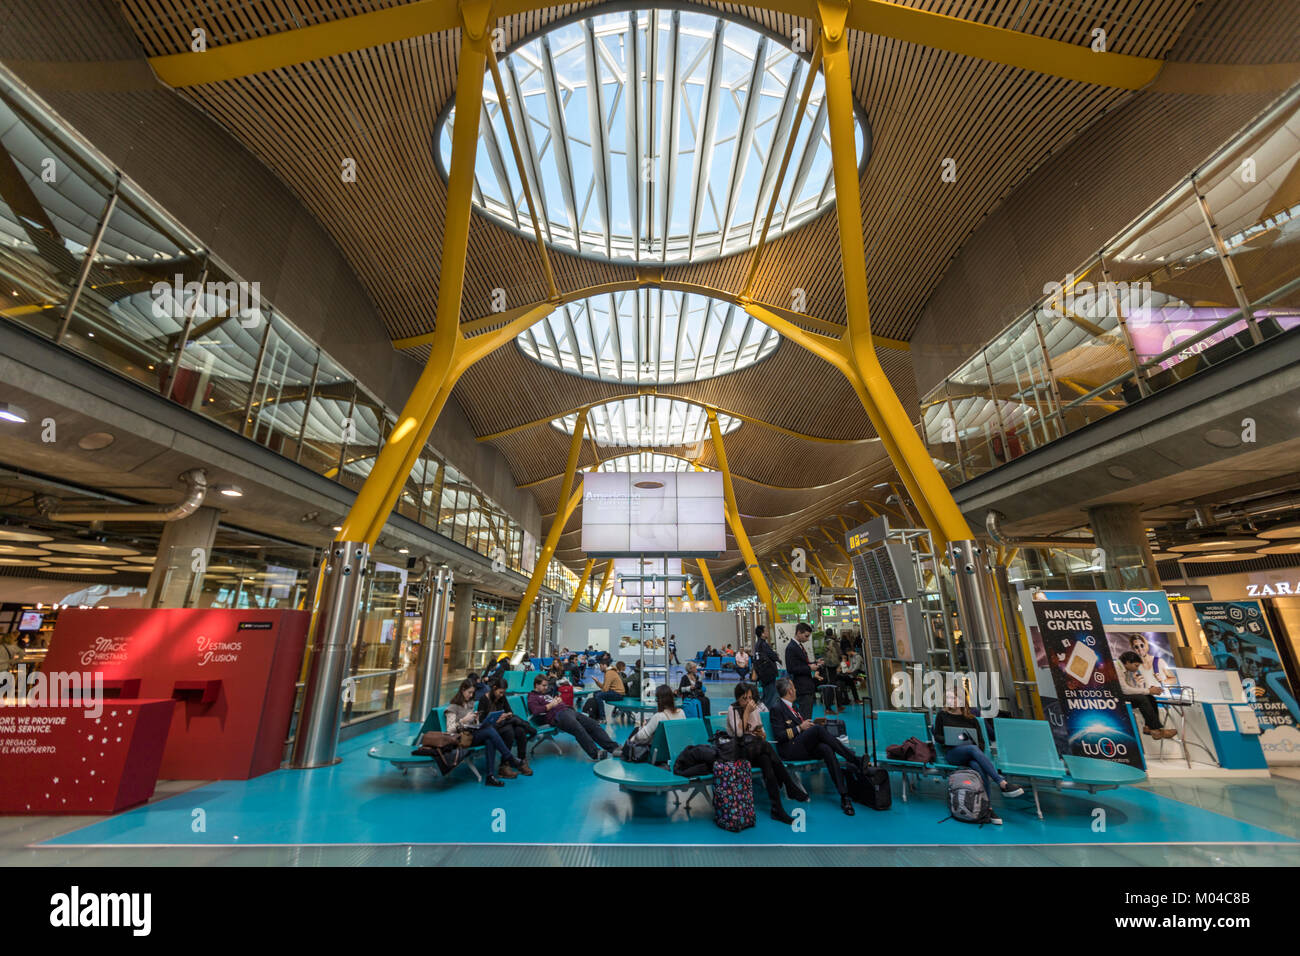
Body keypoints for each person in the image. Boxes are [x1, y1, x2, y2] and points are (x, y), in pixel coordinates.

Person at [770, 678, 863, 816]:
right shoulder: (777, 708)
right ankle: (853, 758)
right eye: (794, 688)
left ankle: (844, 796)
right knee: (818, 730)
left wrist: (805, 727)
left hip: (801, 746)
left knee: (826, 748)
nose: (795, 690)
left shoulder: (793, 707)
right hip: (789, 749)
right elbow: (780, 736)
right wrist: (800, 728)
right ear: (790, 690)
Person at [727, 681, 808, 823]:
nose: (748, 701)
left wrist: (760, 734)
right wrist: (746, 713)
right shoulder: (732, 709)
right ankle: (789, 785)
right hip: (739, 752)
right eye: (744, 698)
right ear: (738, 699)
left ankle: (777, 809)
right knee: (764, 748)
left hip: (756, 750)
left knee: (766, 761)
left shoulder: (755, 710)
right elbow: (739, 734)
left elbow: (763, 733)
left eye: (750, 698)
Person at [932, 700, 1024, 822]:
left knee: (979, 767)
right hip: (953, 754)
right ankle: (1001, 783)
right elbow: (937, 736)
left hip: (971, 755)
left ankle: (988, 809)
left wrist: (971, 745)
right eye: (948, 698)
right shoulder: (942, 715)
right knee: (972, 748)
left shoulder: (972, 718)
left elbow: (981, 743)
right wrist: (950, 738)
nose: (951, 701)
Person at [446, 679, 525, 787]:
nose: (471, 695)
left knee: (489, 738)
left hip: (471, 734)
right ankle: (509, 758)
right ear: (462, 690)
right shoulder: (453, 707)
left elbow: (472, 723)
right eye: (469, 692)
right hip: (462, 739)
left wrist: (475, 720)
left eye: (472, 693)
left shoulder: (469, 704)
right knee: (489, 730)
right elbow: (449, 729)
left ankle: (490, 776)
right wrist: (463, 720)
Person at [526, 675, 621, 760]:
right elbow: (535, 710)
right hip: (558, 716)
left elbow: (550, 703)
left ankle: (613, 748)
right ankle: (596, 753)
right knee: (578, 728)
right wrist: (551, 705)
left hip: (568, 711)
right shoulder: (532, 697)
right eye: (543, 685)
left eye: (546, 685)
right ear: (536, 685)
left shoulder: (545, 694)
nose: (546, 688)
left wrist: (558, 701)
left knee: (593, 724)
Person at [477, 678, 535, 774]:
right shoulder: (484, 699)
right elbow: (481, 720)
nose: (502, 695)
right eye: (500, 692)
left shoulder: (502, 697)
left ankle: (521, 759)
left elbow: (509, 710)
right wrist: (497, 719)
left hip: (504, 724)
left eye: (503, 692)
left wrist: (507, 715)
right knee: (510, 730)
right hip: (492, 728)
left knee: (520, 730)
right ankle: (504, 764)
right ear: (494, 688)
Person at [1119, 651, 1176, 740]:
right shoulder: (1117, 668)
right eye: (1136, 665)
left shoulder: (1127, 671)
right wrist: (1148, 690)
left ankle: (1148, 727)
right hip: (1115, 697)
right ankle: (1156, 730)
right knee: (1142, 699)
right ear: (1127, 662)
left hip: (1123, 695)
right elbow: (1125, 690)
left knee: (1150, 698)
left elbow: (1133, 688)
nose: (1137, 669)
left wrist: (1145, 689)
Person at [626, 684, 686, 751]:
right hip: (676, 749)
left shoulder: (659, 716)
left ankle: (625, 748)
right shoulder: (681, 712)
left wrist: (642, 728)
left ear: (659, 700)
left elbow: (641, 736)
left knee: (637, 730)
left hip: (659, 752)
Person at [785, 622, 819, 718]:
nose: (807, 639)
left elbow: (802, 663)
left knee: (807, 714)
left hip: (806, 685)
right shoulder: (791, 648)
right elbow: (791, 668)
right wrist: (809, 668)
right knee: (805, 716)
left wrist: (815, 663)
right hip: (801, 687)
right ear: (799, 633)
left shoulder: (799, 646)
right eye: (806, 636)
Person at [753, 624, 780, 707]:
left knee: (766, 696)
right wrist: (776, 656)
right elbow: (774, 656)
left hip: (763, 675)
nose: (768, 633)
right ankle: (767, 716)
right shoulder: (764, 645)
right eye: (766, 631)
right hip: (768, 675)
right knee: (770, 698)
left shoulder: (758, 645)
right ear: (762, 634)